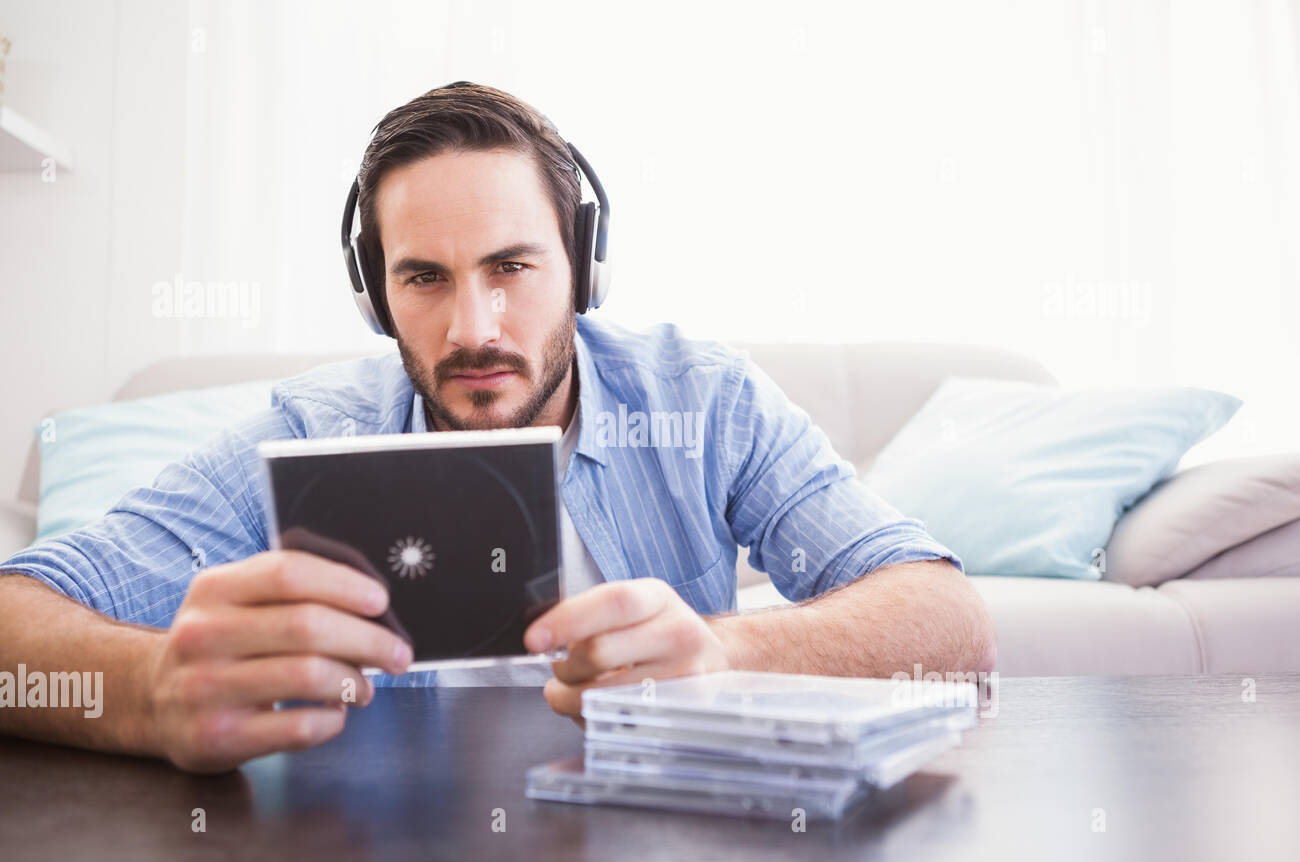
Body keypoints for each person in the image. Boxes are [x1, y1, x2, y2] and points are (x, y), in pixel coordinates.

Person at [0, 82, 994, 773]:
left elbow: (948, 620)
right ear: (375, 297)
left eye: (512, 267)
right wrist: (147, 692)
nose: (472, 329)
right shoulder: (307, 429)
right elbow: (19, 615)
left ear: (581, 268)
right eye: (423, 277)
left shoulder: (705, 399)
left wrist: (729, 653)